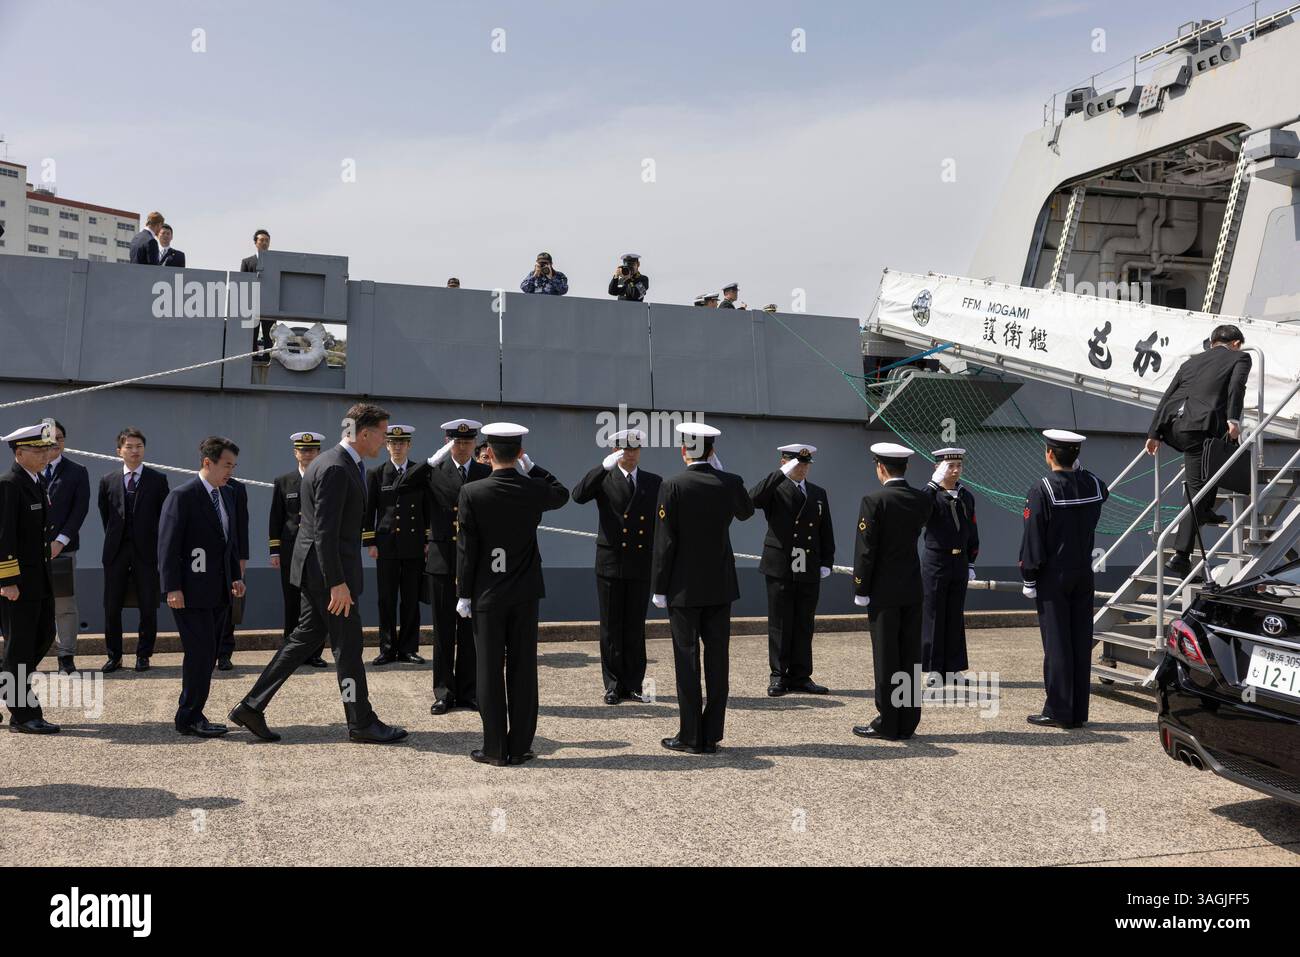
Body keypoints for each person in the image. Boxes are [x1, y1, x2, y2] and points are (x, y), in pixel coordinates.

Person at [229, 403, 407, 745]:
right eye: (383, 434)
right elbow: (325, 532)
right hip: (329, 576)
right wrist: (336, 583)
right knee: (348, 647)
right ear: (365, 433)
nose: (385, 441)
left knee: (303, 640)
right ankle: (361, 722)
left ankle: (251, 705)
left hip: (318, 571)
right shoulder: (338, 468)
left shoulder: (333, 462)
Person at [456, 423, 568, 765]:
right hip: (524, 592)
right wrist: (532, 468)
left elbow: (467, 549)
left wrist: (464, 594)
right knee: (523, 669)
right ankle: (520, 746)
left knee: (489, 671)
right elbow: (561, 493)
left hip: (488, 594)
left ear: (487, 453)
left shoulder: (472, 493)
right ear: (519, 453)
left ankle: (494, 749)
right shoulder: (533, 489)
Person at [651, 422, 754, 754]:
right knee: (718, 659)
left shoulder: (672, 485)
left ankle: (690, 735)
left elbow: (665, 543)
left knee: (687, 658)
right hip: (720, 585)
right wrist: (726, 476)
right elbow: (747, 511)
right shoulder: (729, 482)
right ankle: (712, 734)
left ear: (684, 451)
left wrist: (659, 586)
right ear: (712, 452)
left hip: (683, 587)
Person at [1145, 324, 1251, 577]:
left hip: (1176, 427)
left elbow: (1169, 395)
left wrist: (1154, 433)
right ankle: (1181, 555)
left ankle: (1206, 510)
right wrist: (1234, 420)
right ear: (1235, 343)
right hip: (1199, 429)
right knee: (1197, 485)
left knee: (1210, 461)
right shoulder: (1240, 357)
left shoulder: (1191, 363)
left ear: (1213, 341)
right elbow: (1237, 387)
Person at [1020, 429, 1109, 729]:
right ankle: (1078, 712)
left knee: (1057, 643)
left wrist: (1028, 576)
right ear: (1076, 455)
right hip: (1084, 571)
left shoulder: (1042, 489)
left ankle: (1058, 710)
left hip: (1053, 574)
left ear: (1048, 454)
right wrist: (1078, 469)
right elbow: (1103, 489)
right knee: (1079, 641)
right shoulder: (1093, 484)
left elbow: (1034, 537)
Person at [158, 437, 245, 738]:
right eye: (226, 465)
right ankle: (188, 716)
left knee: (208, 655)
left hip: (219, 591)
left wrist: (235, 576)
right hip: (190, 593)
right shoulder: (183, 496)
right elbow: (168, 547)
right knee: (199, 654)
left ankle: (194, 713)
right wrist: (172, 588)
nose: (230, 472)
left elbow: (228, 543)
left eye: (233, 466)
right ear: (207, 462)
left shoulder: (228, 495)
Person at [851, 442, 935, 741]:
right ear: (905, 467)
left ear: (880, 467)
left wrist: (860, 586)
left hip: (883, 591)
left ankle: (887, 721)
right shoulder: (920, 500)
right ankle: (908, 720)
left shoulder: (874, 501)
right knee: (909, 656)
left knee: (887, 656)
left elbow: (866, 550)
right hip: (912, 587)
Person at [571, 429, 661, 704]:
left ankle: (635, 684)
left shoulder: (653, 481)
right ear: (614, 451)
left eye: (634, 450)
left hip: (640, 561)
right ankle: (612, 684)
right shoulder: (605, 478)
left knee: (635, 625)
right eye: (624, 450)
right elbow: (578, 495)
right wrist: (602, 467)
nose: (630, 454)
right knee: (611, 626)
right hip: (611, 561)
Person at [749, 443, 834, 697]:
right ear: (785, 463)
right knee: (780, 622)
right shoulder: (775, 489)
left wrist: (826, 561)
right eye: (798, 464)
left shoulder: (818, 493)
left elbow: (825, 529)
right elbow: (751, 499)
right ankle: (778, 675)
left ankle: (801, 675)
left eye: (806, 464)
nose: (803, 468)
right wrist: (781, 474)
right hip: (780, 564)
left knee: (804, 622)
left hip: (808, 564)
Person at [425, 419, 490, 714]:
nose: (463, 447)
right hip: (443, 560)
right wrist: (430, 461)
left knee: (469, 632)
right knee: (443, 631)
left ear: (475, 443)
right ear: (448, 442)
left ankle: (468, 691)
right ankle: (444, 692)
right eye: (457, 442)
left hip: (473, 563)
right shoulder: (434, 472)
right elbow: (402, 486)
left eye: (467, 442)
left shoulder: (483, 472)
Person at [0, 424, 59, 734]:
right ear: (19, 453)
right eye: (37, 450)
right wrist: (7, 581)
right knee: (20, 649)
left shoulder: (36, 482)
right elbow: (4, 537)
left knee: (43, 636)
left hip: (40, 581)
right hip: (18, 584)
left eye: (45, 449)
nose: (44, 454)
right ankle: (23, 715)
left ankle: (5, 681)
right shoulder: (10, 484)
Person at [98, 428, 169, 673]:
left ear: (144, 449)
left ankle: (144, 655)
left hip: (147, 551)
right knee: (112, 605)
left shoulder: (158, 480)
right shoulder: (108, 479)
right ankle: (114, 655)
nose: (134, 451)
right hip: (116, 551)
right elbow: (105, 515)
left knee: (148, 605)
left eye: (138, 446)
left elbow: (164, 517)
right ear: (119, 451)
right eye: (128, 446)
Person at [365, 424, 431, 666]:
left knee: (411, 598)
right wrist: (370, 542)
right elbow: (369, 510)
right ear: (386, 445)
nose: (397, 446)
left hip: (413, 544)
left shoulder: (419, 472)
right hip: (386, 544)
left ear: (409, 445)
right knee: (386, 598)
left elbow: (427, 509)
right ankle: (387, 648)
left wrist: (426, 540)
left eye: (402, 442)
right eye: (393, 442)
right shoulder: (376, 473)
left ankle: (409, 648)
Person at [268, 431, 327, 667]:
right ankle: (290, 650)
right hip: (291, 551)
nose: (307, 454)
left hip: (317, 550)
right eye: (303, 450)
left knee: (316, 601)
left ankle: (314, 652)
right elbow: (276, 517)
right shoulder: (283, 481)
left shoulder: (326, 478)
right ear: (295, 453)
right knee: (292, 600)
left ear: (318, 453)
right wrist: (275, 550)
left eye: (311, 450)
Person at [921, 448, 979, 686]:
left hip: (959, 560)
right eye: (949, 466)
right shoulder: (930, 494)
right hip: (936, 560)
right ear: (937, 468)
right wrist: (932, 485)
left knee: (955, 614)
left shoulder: (966, 495)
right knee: (934, 614)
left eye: (958, 466)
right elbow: (919, 512)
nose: (954, 471)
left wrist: (971, 560)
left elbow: (972, 530)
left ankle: (954, 668)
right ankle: (934, 669)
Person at [42, 421, 90, 675]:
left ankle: (66, 656)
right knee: (32, 603)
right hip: (31, 551)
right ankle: (30, 656)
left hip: (64, 549)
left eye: (59, 437)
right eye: (49, 438)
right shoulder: (30, 469)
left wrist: (60, 541)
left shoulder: (77, 471)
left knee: (64, 604)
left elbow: (79, 510)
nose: (55, 443)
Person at [214, 475, 249, 671]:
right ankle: (208, 652)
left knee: (230, 606)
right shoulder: (195, 488)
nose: (227, 469)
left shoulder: (237, 488)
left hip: (231, 557)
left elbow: (242, 525)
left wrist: (242, 559)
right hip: (206, 559)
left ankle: (225, 653)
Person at [241, 229, 274, 363]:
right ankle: (252, 357)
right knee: (251, 333)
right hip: (252, 304)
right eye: (261, 240)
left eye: (267, 240)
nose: (264, 243)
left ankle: (268, 357)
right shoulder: (247, 262)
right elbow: (242, 283)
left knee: (269, 334)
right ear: (256, 242)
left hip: (270, 304)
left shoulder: (275, 262)